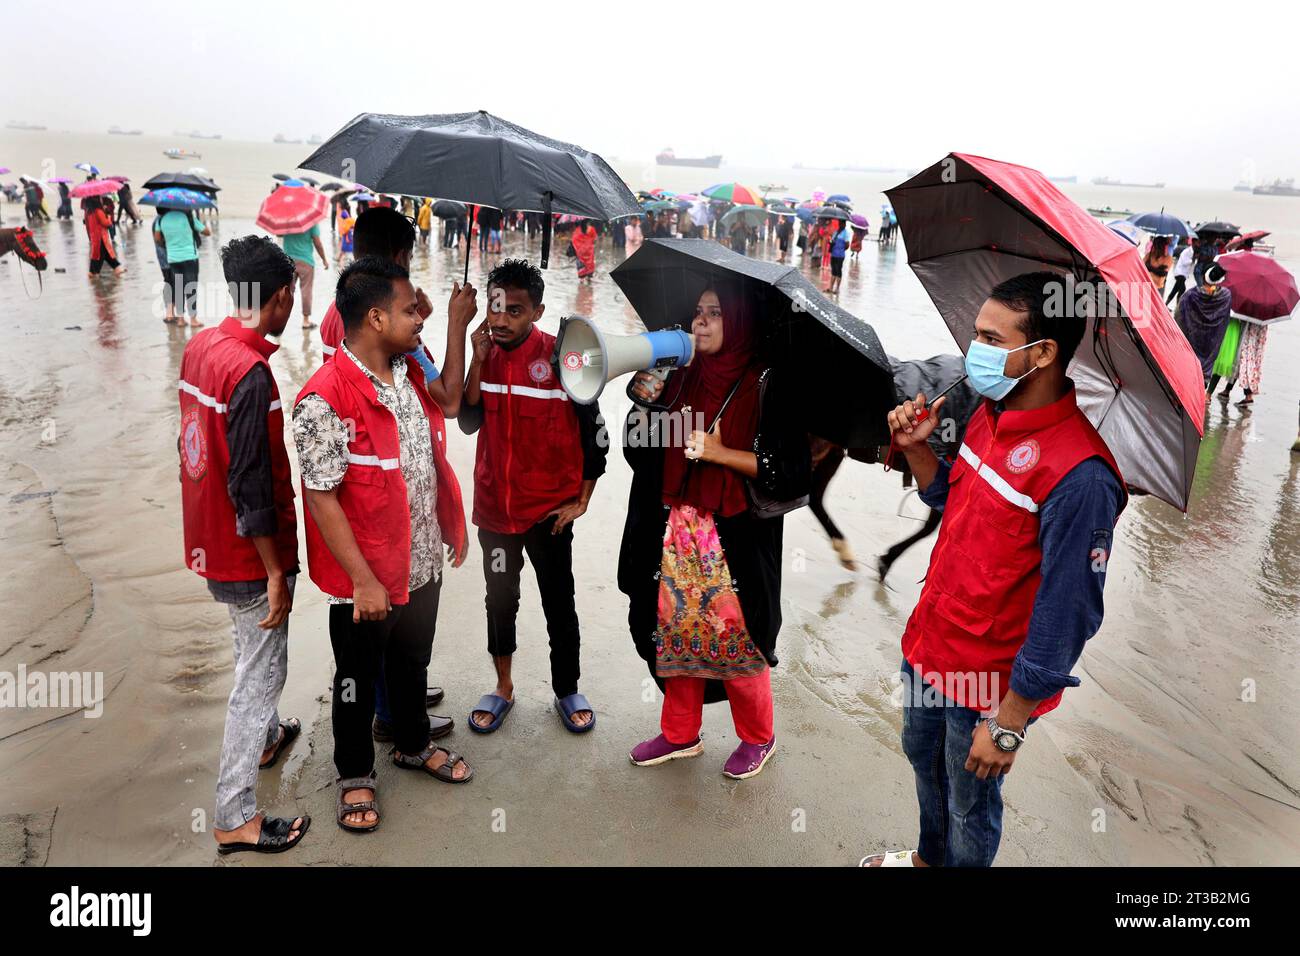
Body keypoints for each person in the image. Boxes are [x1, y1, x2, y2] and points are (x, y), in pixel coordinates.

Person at [863, 271, 1125, 867]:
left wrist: (1009, 722)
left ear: (1043, 353)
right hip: (931, 640)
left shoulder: (1081, 476)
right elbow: (953, 505)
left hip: (987, 679)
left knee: (970, 802)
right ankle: (929, 860)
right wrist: (918, 448)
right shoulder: (987, 415)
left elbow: (1070, 610)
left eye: (989, 338)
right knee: (922, 762)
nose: (973, 351)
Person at [293, 257, 474, 833]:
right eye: (407, 309)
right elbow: (321, 498)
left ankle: (413, 745)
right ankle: (354, 775)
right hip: (369, 577)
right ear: (374, 317)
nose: (417, 316)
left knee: (413, 663)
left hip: (420, 560)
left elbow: (446, 409)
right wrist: (364, 581)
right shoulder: (325, 398)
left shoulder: (409, 370)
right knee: (355, 677)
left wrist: (447, 526)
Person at [622, 285, 811, 779]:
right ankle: (680, 732)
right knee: (675, 633)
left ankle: (758, 736)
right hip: (673, 528)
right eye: (697, 313)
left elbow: (791, 472)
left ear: (741, 323)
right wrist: (647, 400)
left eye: (715, 314)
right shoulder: (679, 374)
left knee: (739, 640)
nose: (700, 323)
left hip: (733, 536)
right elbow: (636, 452)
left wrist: (719, 454)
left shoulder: (768, 382)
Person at [178, 236, 310, 855]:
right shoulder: (251, 374)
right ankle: (235, 814)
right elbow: (252, 483)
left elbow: (194, 447)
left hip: (209, 538)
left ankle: (265, 738)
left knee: (246, 649)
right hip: (246, 551)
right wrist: (276, 572)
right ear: (280, 297)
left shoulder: (203, 344)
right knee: (261, 671)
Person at [459, 258, 607, 734]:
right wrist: (475, 359)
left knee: (558, 601)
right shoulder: (484, 352)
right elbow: (466, 420)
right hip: (494, 509)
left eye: (515, 311)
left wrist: (583, 499)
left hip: (549, 513)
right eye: (495, 307)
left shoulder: (566, 357)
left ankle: (567, 689)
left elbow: (595, 434)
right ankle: (502, 686)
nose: (500, 320)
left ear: (537, 311)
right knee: (499, 601)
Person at [1175, 262, 1233, 388]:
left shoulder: (1189, 296)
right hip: (1209, 354)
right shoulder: (1226, 296)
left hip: (1188, 352)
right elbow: (1225, 322)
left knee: (1183, 384)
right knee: (1199, 387)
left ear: (1203, 276)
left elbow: (1178, 320)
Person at [155, 206, 209, 325]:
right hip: (190, 257)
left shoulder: (161, 219)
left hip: (173, 258)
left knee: (178, 287)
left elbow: (157, 238)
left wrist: (169, 244)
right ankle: (193, 319)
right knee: (191, 288)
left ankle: (180, 319)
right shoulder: (188, 217)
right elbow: (207, 232)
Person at [282, 219, 330, 330]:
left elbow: (279, 234)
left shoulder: (286, 220)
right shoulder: (311, 221)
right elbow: (317, 243)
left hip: (288, 261)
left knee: (287, 291)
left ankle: (280, 320)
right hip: (306, 261)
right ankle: (305, 321)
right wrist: (324, 259)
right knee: (306, 291)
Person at [85, 197, 125, 279]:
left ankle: (116, 268)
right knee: (100, 255)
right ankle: (92, 272)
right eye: (100, 199)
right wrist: (109, 216)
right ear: (97, 201)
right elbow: (106, 223)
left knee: (103, 254)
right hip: (101, 237)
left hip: (95, 237)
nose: (101, 200)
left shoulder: (89, 212)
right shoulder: (98, 211)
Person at [825, 219, 849, 294]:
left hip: (840, 255)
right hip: (834, 254)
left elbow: (847, 245)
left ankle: (837, 288)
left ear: (844, 224)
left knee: (838, 271)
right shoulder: (835, 232)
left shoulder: (846, 233)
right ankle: (831, 287)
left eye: (842, 223)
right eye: (840, 223)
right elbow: (832, 241)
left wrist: (841, 249)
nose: (841, 225)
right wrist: (829, 241)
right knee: (833, 271)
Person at [1166, 241, 1194, 306]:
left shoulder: (1192, 252)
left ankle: (1167, 305)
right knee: (1181, 289)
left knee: (1176, 289)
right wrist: (1192, 260)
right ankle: (1177, 307)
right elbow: (1184, 262)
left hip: (1183, 275)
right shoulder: (1187, 251)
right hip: (1180, 273)